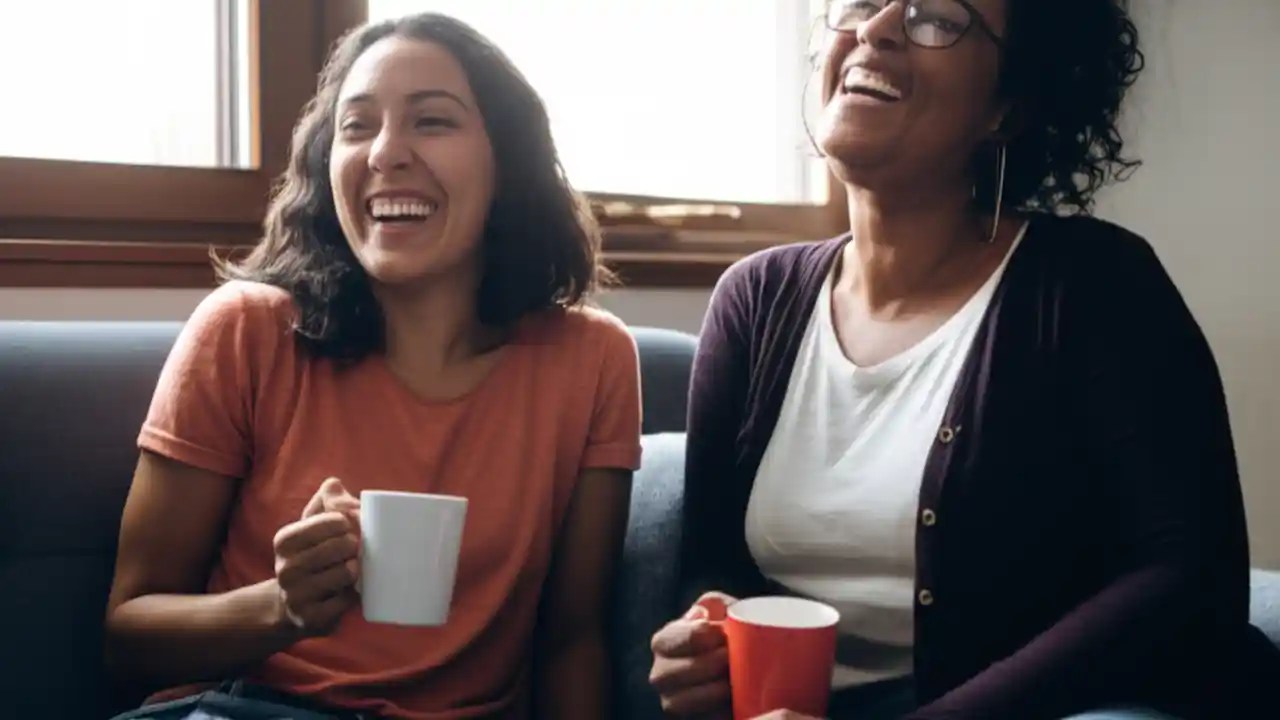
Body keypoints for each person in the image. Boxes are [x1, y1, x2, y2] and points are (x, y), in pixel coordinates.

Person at [649, 1, 1280, 719]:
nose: (876, 28)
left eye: (937, 17)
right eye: (862, 1)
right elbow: (712, 562)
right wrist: (702, 645)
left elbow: (1187, 576)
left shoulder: (1095, 285)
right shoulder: (754, 298)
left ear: (1007, 107)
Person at [104, 12, 641, 720]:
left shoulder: (592, 360)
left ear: (506, 160)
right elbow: (128, 633)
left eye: (433, 122)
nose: (386, 153)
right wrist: (281, 607)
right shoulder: (246, 330)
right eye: (356, 127)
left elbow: (573, 639)